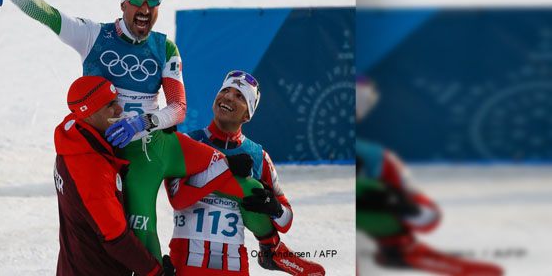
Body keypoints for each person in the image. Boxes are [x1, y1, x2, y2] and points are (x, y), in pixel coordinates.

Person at [0, 0, 277, 259]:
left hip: (155, 145)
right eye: (138, 0)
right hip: (115, 155)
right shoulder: (93, 36)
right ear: (123, 3)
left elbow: (178, 108)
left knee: (237, 177)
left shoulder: (165, 47)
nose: (146, 9)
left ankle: (272, 246)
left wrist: (143, 122)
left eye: (153, 2)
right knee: (136, 234)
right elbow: (50, 16)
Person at [166, 71, 325, 276]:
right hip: (186, 262)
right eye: (225, 90)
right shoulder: (188, 142)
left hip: (234, 266)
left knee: (255, 191)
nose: (228, 97)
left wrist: (273, 207)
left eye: (239, 96)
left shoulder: (258, 156)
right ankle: (273, 250)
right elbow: (177, 197)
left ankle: (272, 250)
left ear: (247, 115)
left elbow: (286, 221)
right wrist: (225, 167)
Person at [355, 76, 502, 276]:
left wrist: (398, 203)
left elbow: (429, 217)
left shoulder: (376, 158)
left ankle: (398, 248)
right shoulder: (373, 157)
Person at [54, 75, 175, 275]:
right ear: (89, 113)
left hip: (75, 265)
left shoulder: (74, 136)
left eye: (117, 101)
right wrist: (156, 272)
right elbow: (116, 238)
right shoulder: (91, 170)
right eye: (110, 105)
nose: (120, 109)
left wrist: (156, 130)